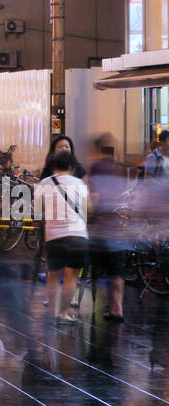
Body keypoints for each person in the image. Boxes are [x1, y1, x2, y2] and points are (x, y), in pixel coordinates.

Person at [33, 150, 89, 322]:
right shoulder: (79, 183)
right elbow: (87, 210)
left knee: (54, 274)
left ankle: (52, 312)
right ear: (72, 166)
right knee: (72, 276)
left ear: (54, 166)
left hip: (54, 235)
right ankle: (63, 313)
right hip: (78, 235)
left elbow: (37, 211)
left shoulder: (44, 184)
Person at [86, 134, 128, 323]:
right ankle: (117, 308)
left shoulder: (96, 167)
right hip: (116, 225)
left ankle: (100, 305)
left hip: (101, 226)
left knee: (98, 269)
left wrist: (90, 215)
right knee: (116, 270)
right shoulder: (119, 167)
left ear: (96, 149)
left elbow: (93, 196)